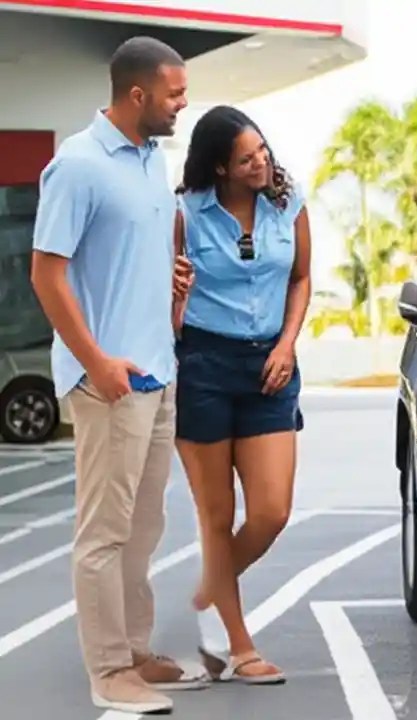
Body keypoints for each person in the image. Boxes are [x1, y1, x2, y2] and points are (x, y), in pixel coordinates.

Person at [28, 36, 207, 714]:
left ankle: (134, 651)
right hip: (108, 379)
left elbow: (130, 261)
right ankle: (108, 672)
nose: (182, 105)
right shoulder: (77, 165)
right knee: (103, 534)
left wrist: (171, 294)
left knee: (144, 528)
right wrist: (97, 362)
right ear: (137, 94)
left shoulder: (150, 163)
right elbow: (47, 273)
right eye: (174, 94)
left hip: (158, 371)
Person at [170, 104, 312, 685]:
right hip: (204, 363)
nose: (261, 163)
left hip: (271, 367)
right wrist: (172, 295)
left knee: (272, 511)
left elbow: (301, 277)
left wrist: (287, 344)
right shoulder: (184, 214)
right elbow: (167, 304)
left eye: (262, 151)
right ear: (220, 169)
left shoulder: (289, 200)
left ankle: (206, 589)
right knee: (216, 515)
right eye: (246, 159)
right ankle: (239, 646)